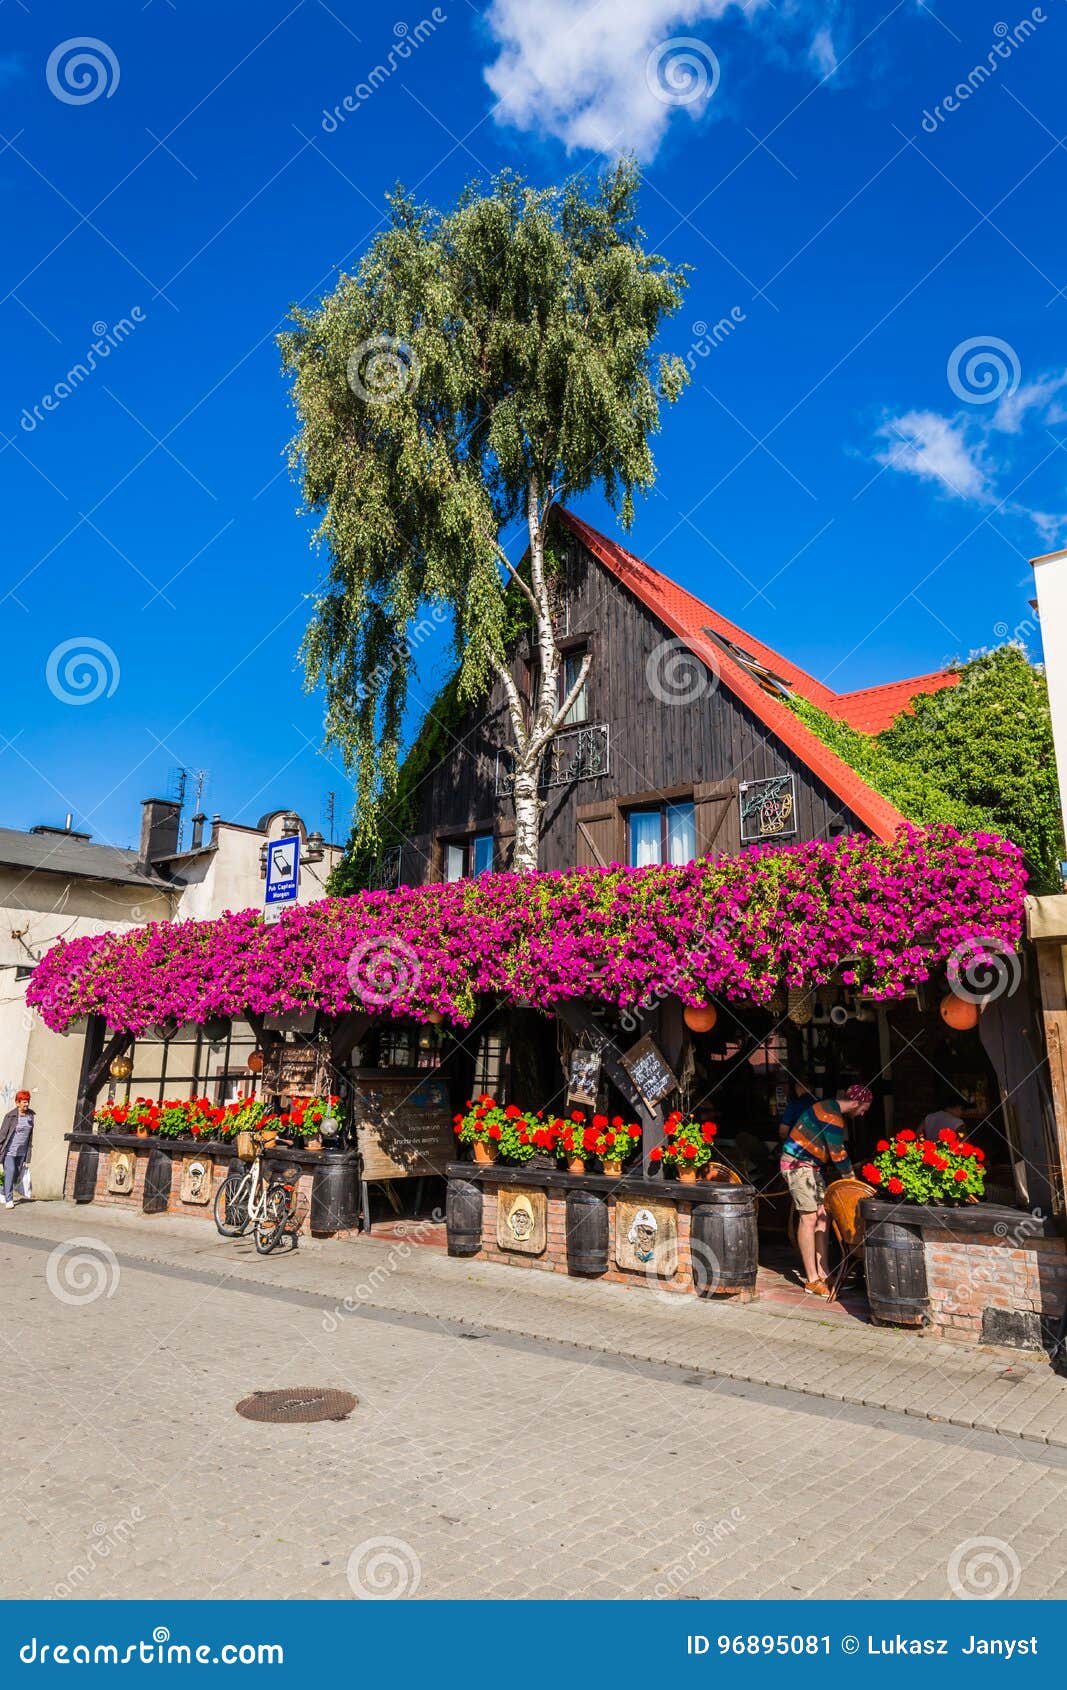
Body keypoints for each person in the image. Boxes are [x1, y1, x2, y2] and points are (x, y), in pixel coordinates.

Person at [780, 1084, 873, 1298]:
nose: (863, 1113)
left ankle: (824, 1274)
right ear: (857, 1102)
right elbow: (838, 1154)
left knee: (823, 1217)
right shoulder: (832, 1116)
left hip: (812, 1168)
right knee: (809, 1218)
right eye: (865, 1108)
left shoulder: (830, 1107)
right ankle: (812, 1279)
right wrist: (852, 1182)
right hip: (797, 1166)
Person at [0, 1090, 35, 1209]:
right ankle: (9, 1199)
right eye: (24, 1102)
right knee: (10, 1171)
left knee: (16, 1174)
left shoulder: (30, 1116)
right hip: (9, 1151)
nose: (26, 1104)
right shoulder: (10, 1116)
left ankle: (2, 1191)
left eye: (28, 1102)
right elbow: (2, 1135)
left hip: (22, 1151)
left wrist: (28, 1151)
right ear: (17, 1103)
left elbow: (30, 1135)